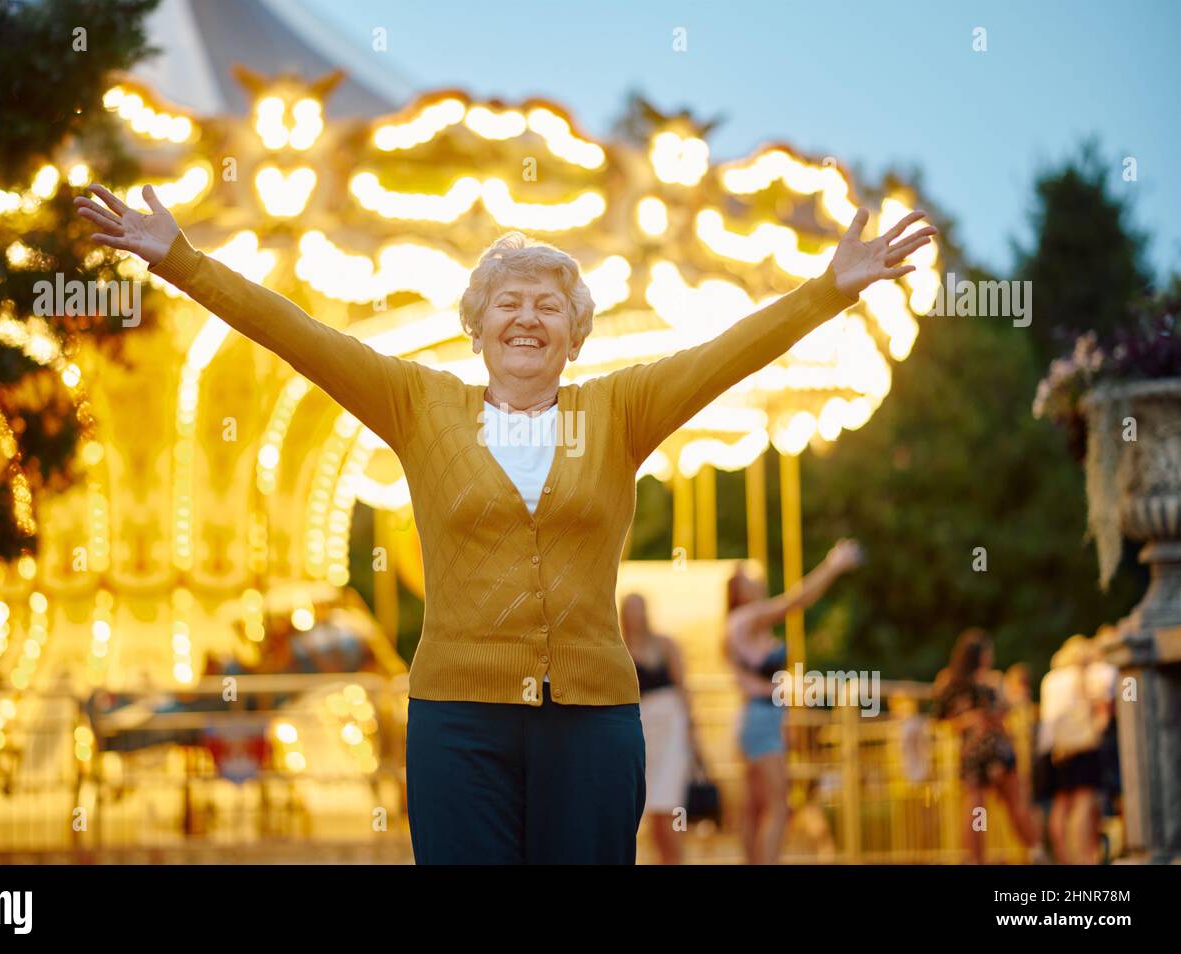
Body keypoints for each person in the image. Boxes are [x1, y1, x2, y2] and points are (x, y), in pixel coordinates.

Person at [75, 182, 933, 864]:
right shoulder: (418, 405)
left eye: (549, 306)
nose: (528, 317)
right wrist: (182, 261)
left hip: (593, 719)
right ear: (479, 326)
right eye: (509, 302)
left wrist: (830, 291)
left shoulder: (620, 410)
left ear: (575, 335)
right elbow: (299, 334)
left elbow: (727, 355)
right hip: (459, 717)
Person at [724, 540, 864, 864]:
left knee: (756, 807)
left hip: (759, 719)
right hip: (760, 719)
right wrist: (833, 565)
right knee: (777, 805)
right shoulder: (746, 620)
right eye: (748, 579)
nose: (757, 581)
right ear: (738, 593)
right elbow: (794, 602)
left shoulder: (743, 626)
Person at [933, 628, 1040, 863]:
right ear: (981, 654)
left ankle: (975, 859)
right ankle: (1036, 850)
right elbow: (1001, 715)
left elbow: (941, 719)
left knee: (976, 810)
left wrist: (965, 721)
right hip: (996, 749)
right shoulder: (991, 681)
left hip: (971, 753)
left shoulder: (947, 681)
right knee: (1016, 804)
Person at [620, 592, 695, 864]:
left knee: (670, 803)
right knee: (651, 805)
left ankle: (675, 859)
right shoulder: (622, 647)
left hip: (672, 729)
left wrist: (692, 731)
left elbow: (683, 687)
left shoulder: (665, 645)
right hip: (644, 730)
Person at [1041, 635, 1113, 864]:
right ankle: (1083, 857)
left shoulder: (1051, 680)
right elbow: (1104, 711)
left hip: (1057, 750)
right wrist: (1099, 731)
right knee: (1084, 800)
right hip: (1084, 746)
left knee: (1061, 805)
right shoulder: (1092, 675)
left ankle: (1064, 857)